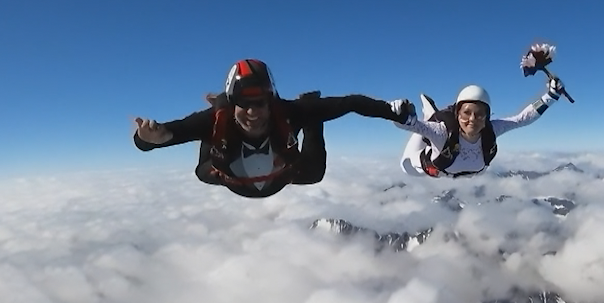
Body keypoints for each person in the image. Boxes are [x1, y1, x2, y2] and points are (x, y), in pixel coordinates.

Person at [133, 58, 411, 198]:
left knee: (314, 168)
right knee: (205, 156)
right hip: (235, 177)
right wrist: (148, 138)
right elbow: (159, 137)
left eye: (260, 102)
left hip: (279, 177)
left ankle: (312, 113)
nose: (252, 112)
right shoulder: (217, 119)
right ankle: (218, 106)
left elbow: (351, 103)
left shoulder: (290, 112)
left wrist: (391, 111)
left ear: (271, 101)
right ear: (233, 102)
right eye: (244, 103)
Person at [391, 74, 565, 178]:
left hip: (468, 171)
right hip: (433, 167)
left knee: (423, 129)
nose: (472, 119)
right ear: (457, 114)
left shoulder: (491, 130)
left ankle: (429, 116)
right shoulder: (441, 132)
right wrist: (400, 116)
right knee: (406, 166)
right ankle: (429, 115)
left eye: (479, 114)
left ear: (487, 117)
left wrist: (551, 96)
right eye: (466, 113)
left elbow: (522, 119)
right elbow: (410, 126)